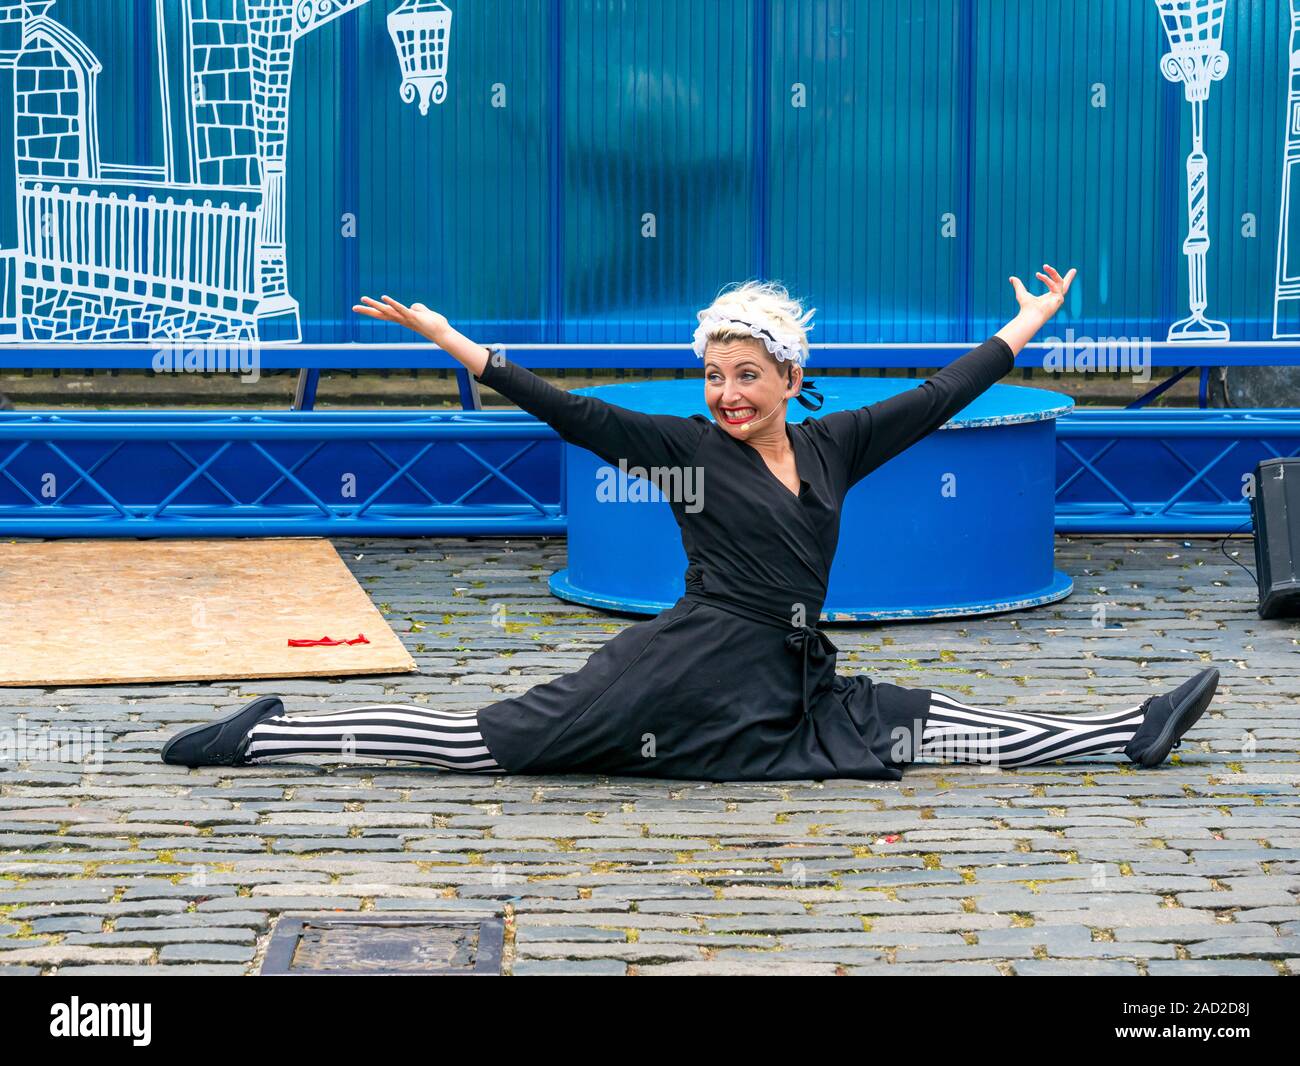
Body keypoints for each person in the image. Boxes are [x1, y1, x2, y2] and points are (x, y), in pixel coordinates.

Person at [162, 267, 1221, 778]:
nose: (726, 392)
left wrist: (1023, 328)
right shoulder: (682, 450)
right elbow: (576, 413)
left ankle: (1124, 731)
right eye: (713, 375)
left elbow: (937, 398)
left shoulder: (834, 443)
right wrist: (463, 349)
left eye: (746, 375)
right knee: (495, 744)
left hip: (790, 670)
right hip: (687, 667)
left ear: (788, 378)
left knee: (912, 719)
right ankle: (271, 735)